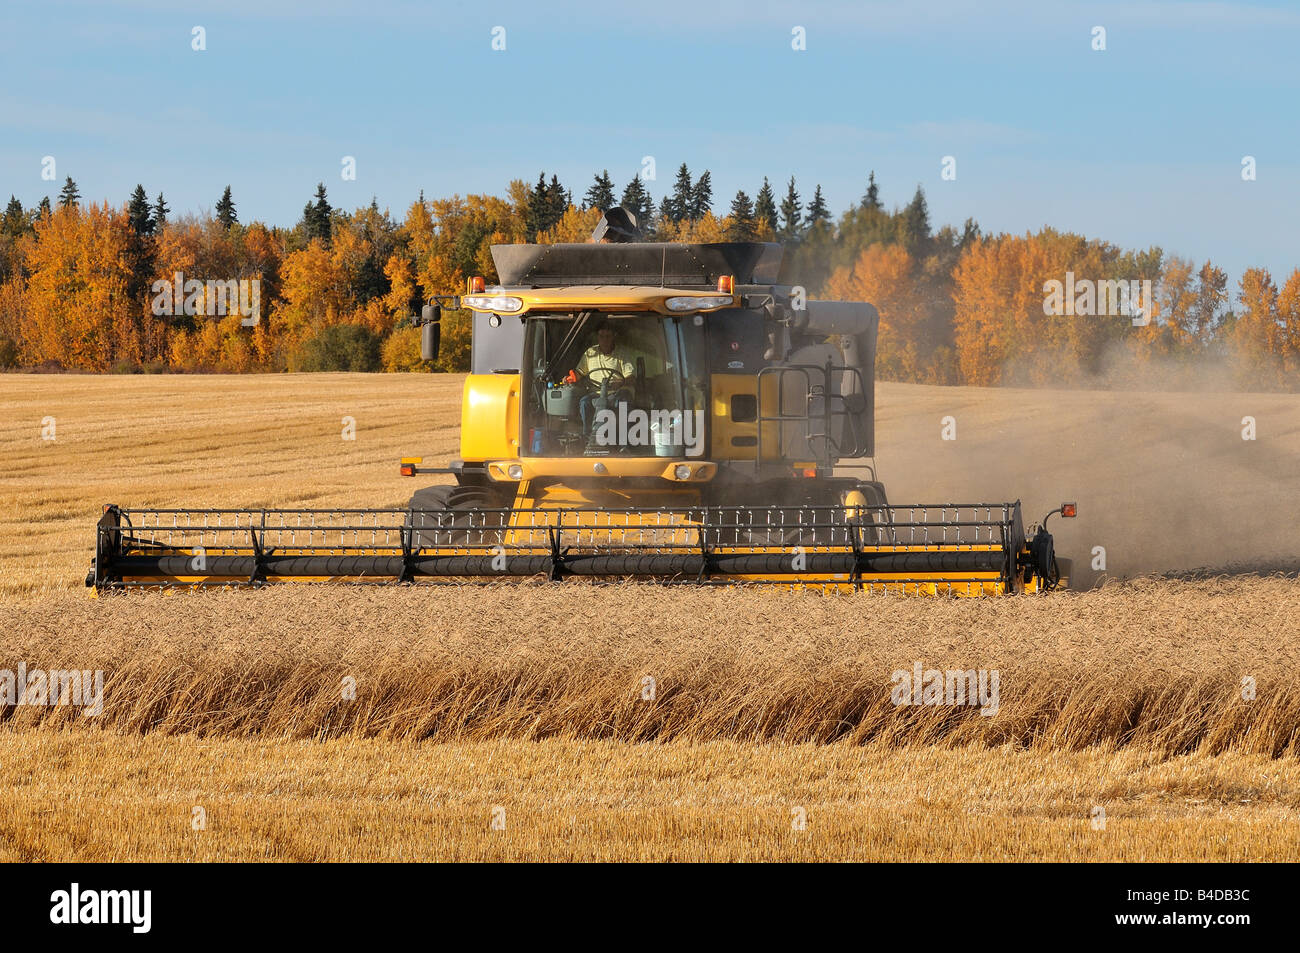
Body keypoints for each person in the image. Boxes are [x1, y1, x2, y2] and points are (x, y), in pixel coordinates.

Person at [572, 325, 638, 441]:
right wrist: (571, 378)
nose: (604, 340)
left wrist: (620, 383)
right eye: (601, 336)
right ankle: (588, 438)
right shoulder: (590, 353)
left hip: (618, 392)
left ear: (614, 337)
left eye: (608, 336)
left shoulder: (622, 354)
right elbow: (579, 372)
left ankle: (623, 440)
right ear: (597, 337)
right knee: (584, 402)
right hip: (597, 393)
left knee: (622, 402)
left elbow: (631, 377)